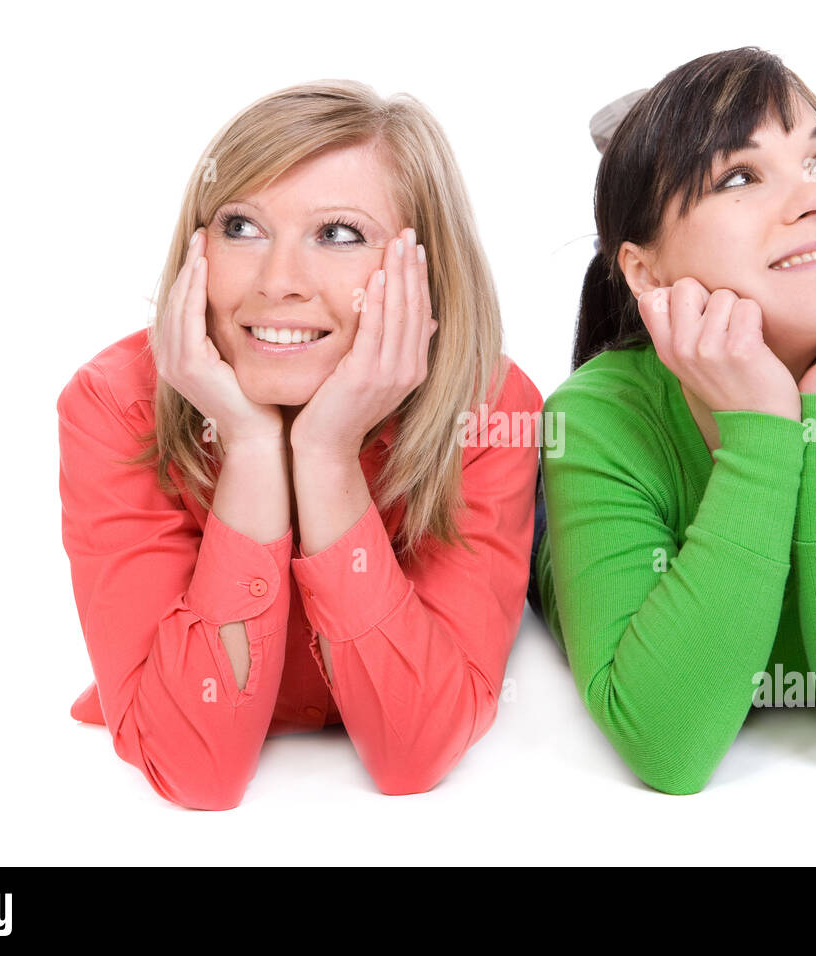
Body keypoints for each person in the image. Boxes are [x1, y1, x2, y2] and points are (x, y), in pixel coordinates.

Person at [57, 80, 542, 810]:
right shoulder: (113, 406)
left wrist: (325, 456)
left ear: (426, 272)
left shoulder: (490, 412)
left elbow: (414, 752)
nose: (279, 282)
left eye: (339, 234)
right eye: (242, 227)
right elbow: (194, 770)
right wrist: (253, 449)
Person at [529, 48, 816, 794]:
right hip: (563, 521)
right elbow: (671, 748)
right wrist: (761, 432)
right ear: (645, 272)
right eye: (739, 176)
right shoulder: (592, 417)